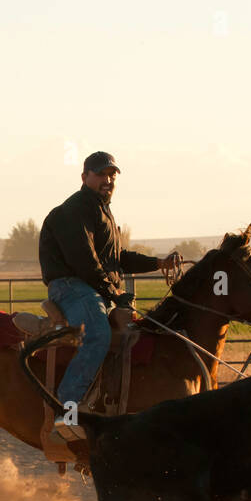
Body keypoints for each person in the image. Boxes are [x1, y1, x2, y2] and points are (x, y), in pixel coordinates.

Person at [38, 151, 178, 440]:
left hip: (89, 287)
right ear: (84, 177)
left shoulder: (102, 211)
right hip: (71, 285)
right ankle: (65, 414)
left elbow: (117, 258)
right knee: (97, 333)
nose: (108, 180)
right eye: (101, 174)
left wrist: (158, 263)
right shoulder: (74, 210)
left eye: (112, 175)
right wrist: (115, 293)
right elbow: (85, 262)